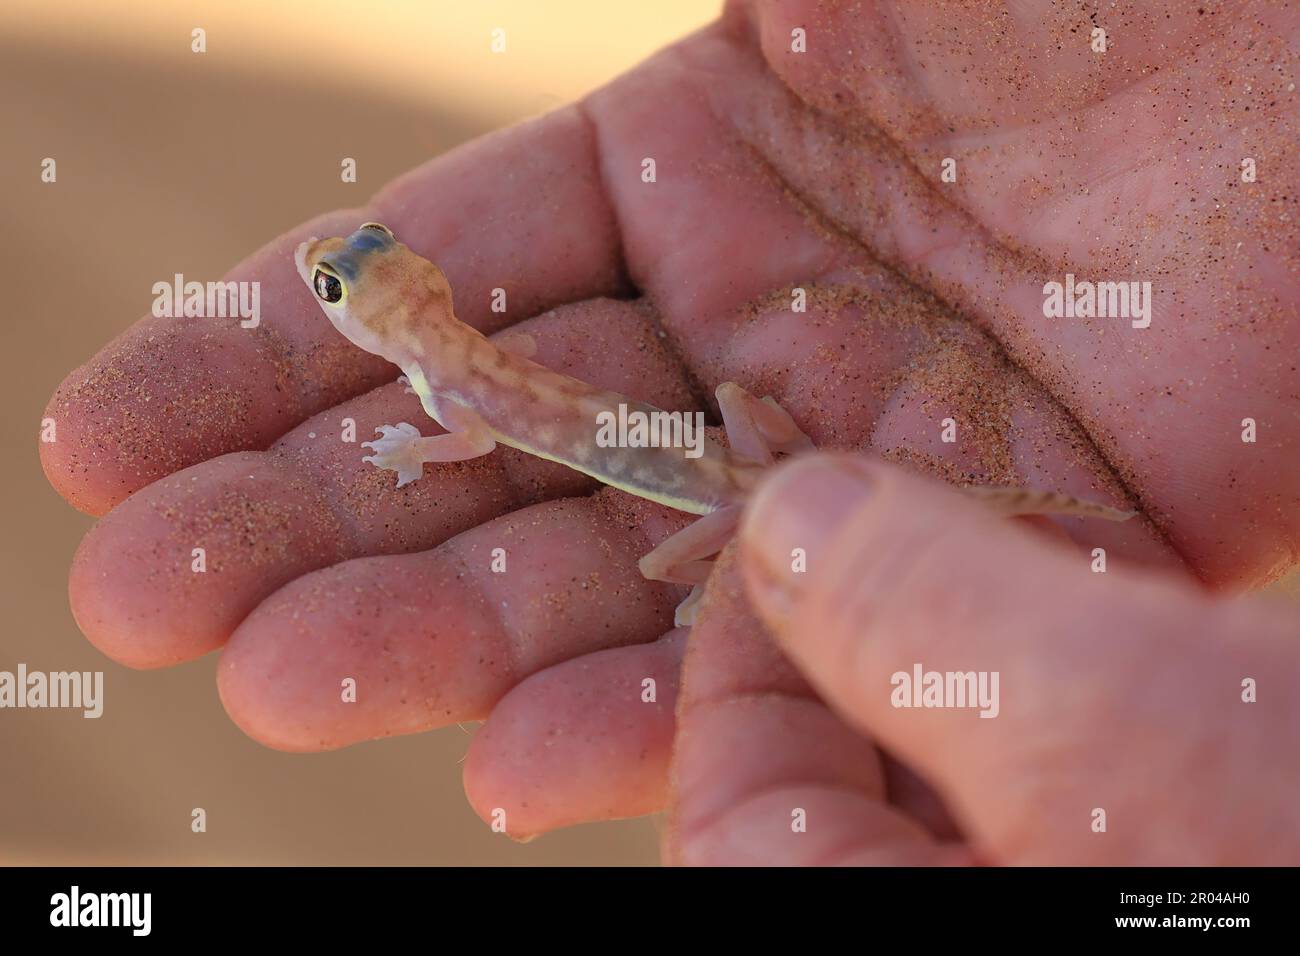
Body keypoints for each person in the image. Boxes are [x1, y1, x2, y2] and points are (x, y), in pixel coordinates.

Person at [39, 1, 1297, 863]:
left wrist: (409, 456)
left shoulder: (453, 394)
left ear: (393, 319)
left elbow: (462, 446)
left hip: (726, 500)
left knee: (660, 570)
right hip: (736, 447)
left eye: (345, 277)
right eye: (341, 276)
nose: (335, 267)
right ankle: (793, 503)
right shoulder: (467, 359)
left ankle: (723, 587)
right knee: (747, 469)